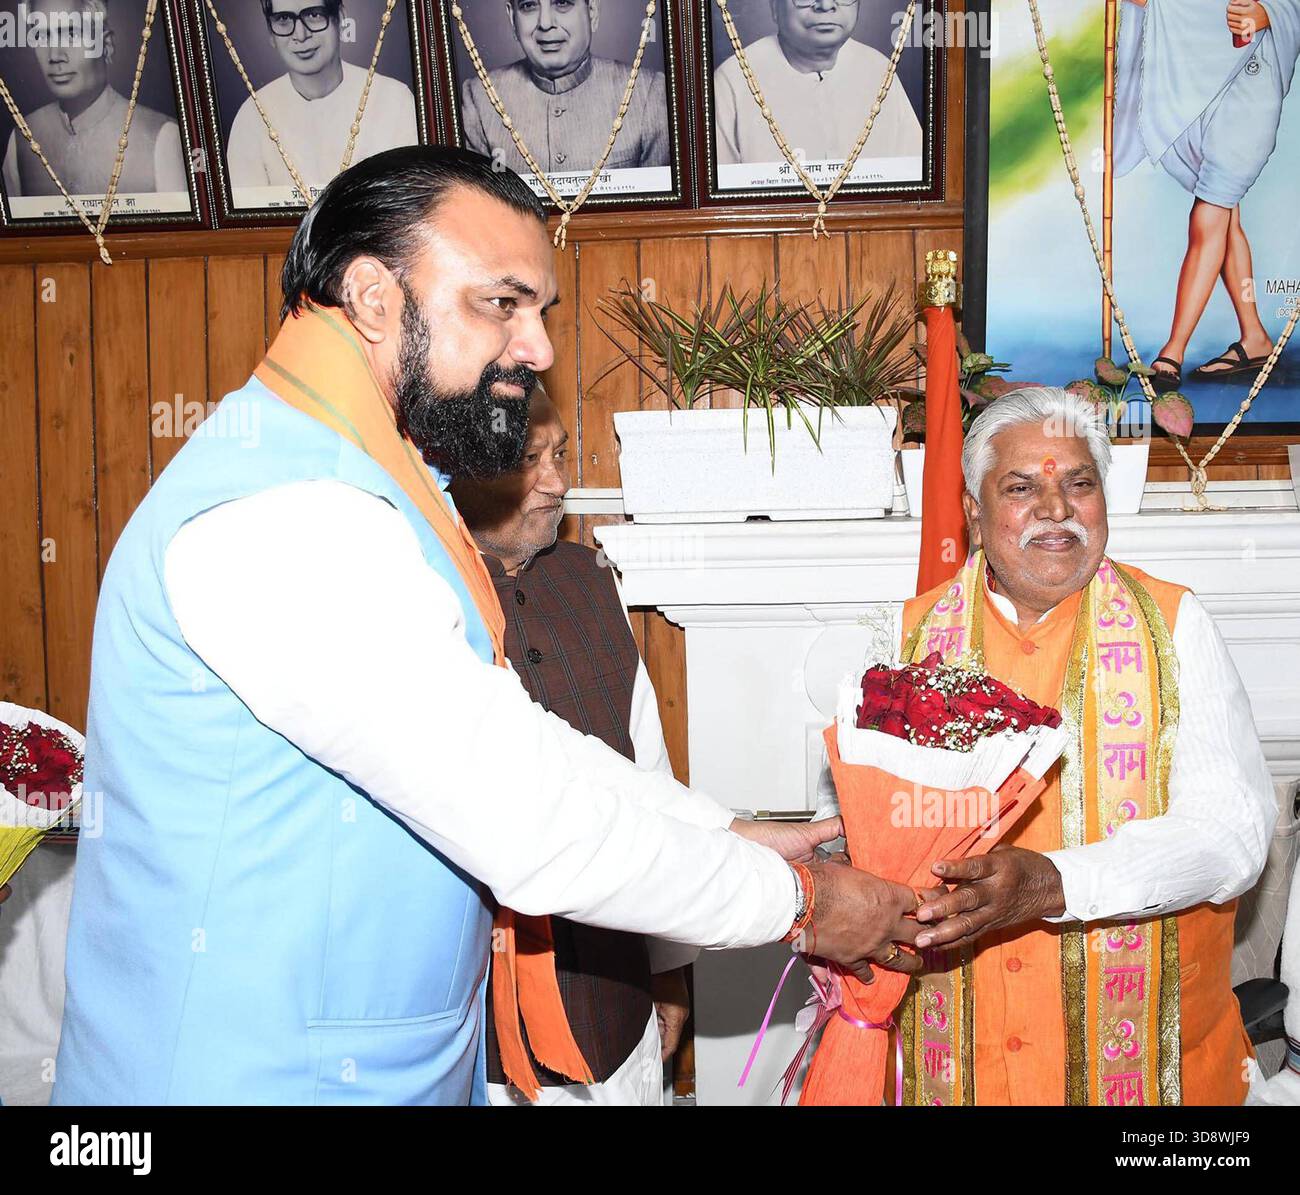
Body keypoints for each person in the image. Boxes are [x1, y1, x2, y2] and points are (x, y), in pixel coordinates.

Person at [51, 146, 929, 1106]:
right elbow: (530, 821)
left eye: (540, 309)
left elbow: (513, 737)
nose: (541, 346)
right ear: (375, 297)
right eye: (500, 303)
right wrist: (801, 908)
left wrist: (732, 834)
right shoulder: (284, 512)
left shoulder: (365, 472)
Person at [904, 387, 1275, 1106]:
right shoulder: (907, 639)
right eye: (1021, 487)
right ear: (974, 515)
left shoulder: (1175, 627)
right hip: (961, 1070)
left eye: (1079, 483)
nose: (1056, 507)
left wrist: (1053, 882)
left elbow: (1233, 837)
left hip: (1153, 1079)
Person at [452, 388, 694, 1106]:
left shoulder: (594, 580)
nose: (558, 482)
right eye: (530, 461)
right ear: (456, 470)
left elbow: (650, 772)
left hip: (617, 1012)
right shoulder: (422, 594)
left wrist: (669, 968)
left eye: (558, 455)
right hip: (481, 1043)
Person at [1115, 0, 1300, 389]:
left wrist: (1273, 11)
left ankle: (1174, 350)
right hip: (1206, 73)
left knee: (1210, 213)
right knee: (1225, 215)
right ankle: (1255, 338)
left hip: (1255, 77)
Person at [225, 0, 418, 196]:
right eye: (283, 19)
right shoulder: (251, 116)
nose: (300, 35)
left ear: (339, 19)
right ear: (271, 34)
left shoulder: (395, 99)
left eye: (314, 15)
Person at [461, 0, 668, 176]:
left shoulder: (648, 92)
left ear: (592, 12)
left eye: (562, 3)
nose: (545, 23)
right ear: (512, 19)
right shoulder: (479, 98)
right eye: (529, 5)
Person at [2, 0, 186, 198]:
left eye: (72, 34)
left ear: (106, 45)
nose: (55, 56)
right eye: (41, 36)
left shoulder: (162, 138)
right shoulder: (21, 138)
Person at [713, 0, 922, 167]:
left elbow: (912, 185)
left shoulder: (879, 70)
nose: (825, 5)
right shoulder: (733, 81)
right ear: (774, 7)